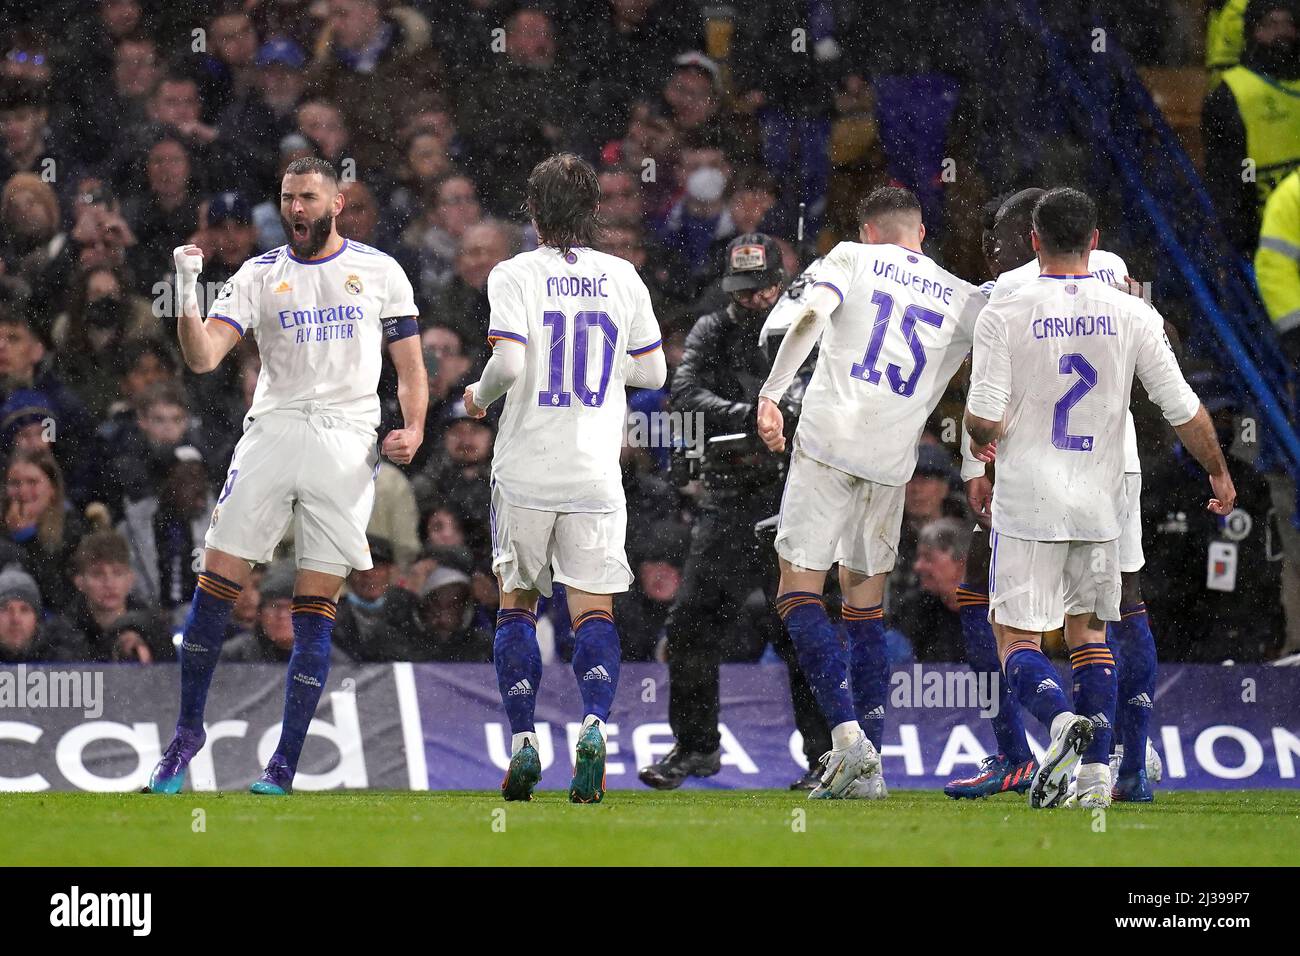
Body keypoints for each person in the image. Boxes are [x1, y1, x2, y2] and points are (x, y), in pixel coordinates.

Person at [144, 156, 426, 797]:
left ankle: (284, 767)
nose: (296, 208)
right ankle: (187, 733)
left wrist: (413, 426)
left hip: (345, 441)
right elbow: (204, 357)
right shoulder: (257, 274)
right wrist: (187, 290)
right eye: (287, 197)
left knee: (314, 609)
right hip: (271, 432)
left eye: (307, 197)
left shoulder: (380, 272)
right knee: (215, 588)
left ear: (337, 202)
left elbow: (410, 367)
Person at [964, 187, 1235, 810]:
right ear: (1096, 240)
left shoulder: (1005, 306)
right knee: (1092, 634)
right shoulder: (1131, 310)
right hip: (1105, 498)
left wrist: (986, 442)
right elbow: (1183, 407)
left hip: (1030, 496)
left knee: (1016, 639)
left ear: (1033, 242)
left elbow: (981, 418)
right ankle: (1096, 778)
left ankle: (1060, 725)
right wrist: (1217, 471)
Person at [757, 186, 985, 799]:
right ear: (920, 234)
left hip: (828, 445)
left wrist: (772, 392)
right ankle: (872, 767)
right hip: (890, 464)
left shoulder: (850, 258)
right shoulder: (963, 297)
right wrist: (971, 464)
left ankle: (848, 741)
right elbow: (990, 383)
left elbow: (807, 315)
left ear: (867, 231)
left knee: (797, 591)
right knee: (865, 607)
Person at [461, 153, 666, 803]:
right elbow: (655, 374)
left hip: (525, 467)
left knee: (517, 601)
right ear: (593, 212)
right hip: (595, 469)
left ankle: (524, 744)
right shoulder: (622, 277)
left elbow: (510, 364)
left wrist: (475, 396)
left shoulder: (514, 274)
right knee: (593, 608)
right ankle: (596, 728)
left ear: (531, 210)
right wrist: (601, 371)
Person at [951, 187, 1164, 802]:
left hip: (1036, 472)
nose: (992, 247)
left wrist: (975, 467)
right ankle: (1120, 763)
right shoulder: (1115, 271)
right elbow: (1160, 344)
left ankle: (1023, 750)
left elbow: (984, 397)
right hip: (1113, 469)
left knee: (988, 603)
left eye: (1002, 234)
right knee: (1118, 609)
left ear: (1033, 235)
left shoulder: (1005, 295)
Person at [636, 233, 832, 792]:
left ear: (781, 281)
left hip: (788, 494)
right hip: (727, 494)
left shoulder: (803, 325)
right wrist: (758, 418)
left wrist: (766, 420)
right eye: (744, 291)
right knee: (692, 624)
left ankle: (823, 756)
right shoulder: (712, 329)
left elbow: (817, 394)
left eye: (763, 288)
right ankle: (696, 746)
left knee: (798, 626)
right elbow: (683, 395)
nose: (753, 300)